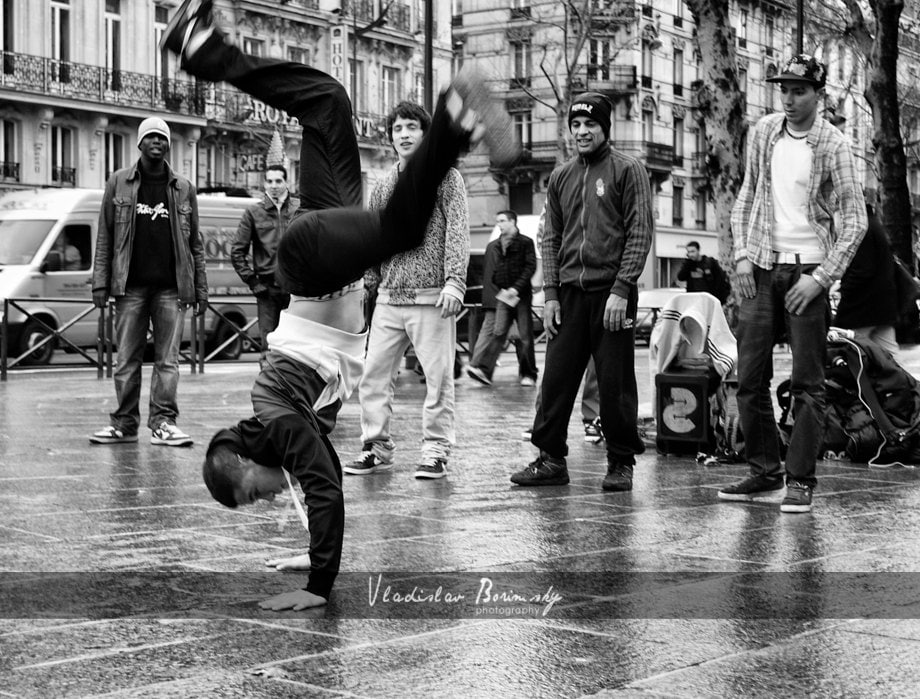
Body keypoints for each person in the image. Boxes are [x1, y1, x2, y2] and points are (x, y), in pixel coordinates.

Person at [161, 0, 517, 609]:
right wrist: (309, 548)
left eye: (252, 494)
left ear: (246, 459)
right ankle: (202, 52)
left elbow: (323, 484)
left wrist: (317, 586)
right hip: (324, 256)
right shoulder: (277, 426)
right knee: (328, 102)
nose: (267, 499)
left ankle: (455, 116)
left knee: (403, 226)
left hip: (315, 264)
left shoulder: (278, 419)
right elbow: (307, 482)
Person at [720, 54, 867, 513]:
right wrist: (742, 257)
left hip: (808, 271)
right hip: (761, 267)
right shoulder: (764, 132)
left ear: (818, 94)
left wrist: (822, 278)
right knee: (749, 377)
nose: (788, 98)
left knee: (808, 383)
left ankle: (800, 479)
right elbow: (747, 195)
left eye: (799, 90)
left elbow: (855, 220)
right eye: (783, 89)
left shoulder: (833, 144)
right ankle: (764, 471)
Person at [510, 92, 653, 491]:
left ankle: (621, 461)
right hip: (569, 294)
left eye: (590, 124)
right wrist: (551, 293)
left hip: (613, 292)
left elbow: (640, 233)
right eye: (576, 125)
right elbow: (550, 237)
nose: (582, 131)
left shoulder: (629, 171)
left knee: (614, 382)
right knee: (555, 379)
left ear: (605, 127)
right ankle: (550, 459)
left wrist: (623, 288)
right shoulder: (560, 176)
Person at [344, 101, 469, 480]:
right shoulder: (383, 185)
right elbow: (373, 237)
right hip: (388, 297)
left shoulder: (447, 178)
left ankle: (435, 450)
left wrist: (455, 282)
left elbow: (458, 231)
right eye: (397, 129)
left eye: (411, 127)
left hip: (433, 297)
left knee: (438, 378)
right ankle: (376, 446)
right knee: (374, 377)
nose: (403, 135)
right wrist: (367, 284)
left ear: (425, 134)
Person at [89, 114, 207, 447]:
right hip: (130, 287)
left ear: (169, 144)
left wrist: (200, 290)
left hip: (171, 288)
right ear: (139, 143)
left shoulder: (184, 188)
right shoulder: (119, 182)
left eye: (162, 138)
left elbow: (194, 243)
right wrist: (100, 284)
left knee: (168, 361)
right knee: (126, 358)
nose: (157, 142)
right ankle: (124, 423)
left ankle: (163, 423)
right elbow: (105, 238)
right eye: (150, 137)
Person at [231, 164, 297, 360]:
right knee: (268, 347)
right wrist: (253, 282)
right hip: (267, 289)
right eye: (269, 181)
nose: (274, 185)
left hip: (296, 289)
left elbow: (312, 246)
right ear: (264, 183)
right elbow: (237, 252)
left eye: (278, 181)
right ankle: (271, 390)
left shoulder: (299, 209)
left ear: (287, 182)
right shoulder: (253, 212)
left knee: (295, 347)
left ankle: (291, 389)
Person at [467, 209, 538, 387]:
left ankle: (528, 374)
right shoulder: (497, 244)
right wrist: (499, 285)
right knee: (498, 333)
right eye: (497, 221)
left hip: (521, 297)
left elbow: (530, 267)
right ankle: (484, 370)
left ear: (513, 222)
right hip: (503, 297)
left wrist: (516, 288)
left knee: (524, 336)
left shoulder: (525, 242)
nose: (499, 224)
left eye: (502, 221)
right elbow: (495, 269)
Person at [834, 203, 899, 357]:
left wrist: (842, 289)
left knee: (852, 352)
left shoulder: (860, 228)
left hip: (861, 307)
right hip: (883, 304)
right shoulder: (873, 223)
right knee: (889, 355)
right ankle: (900, 381)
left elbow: (862, 269)